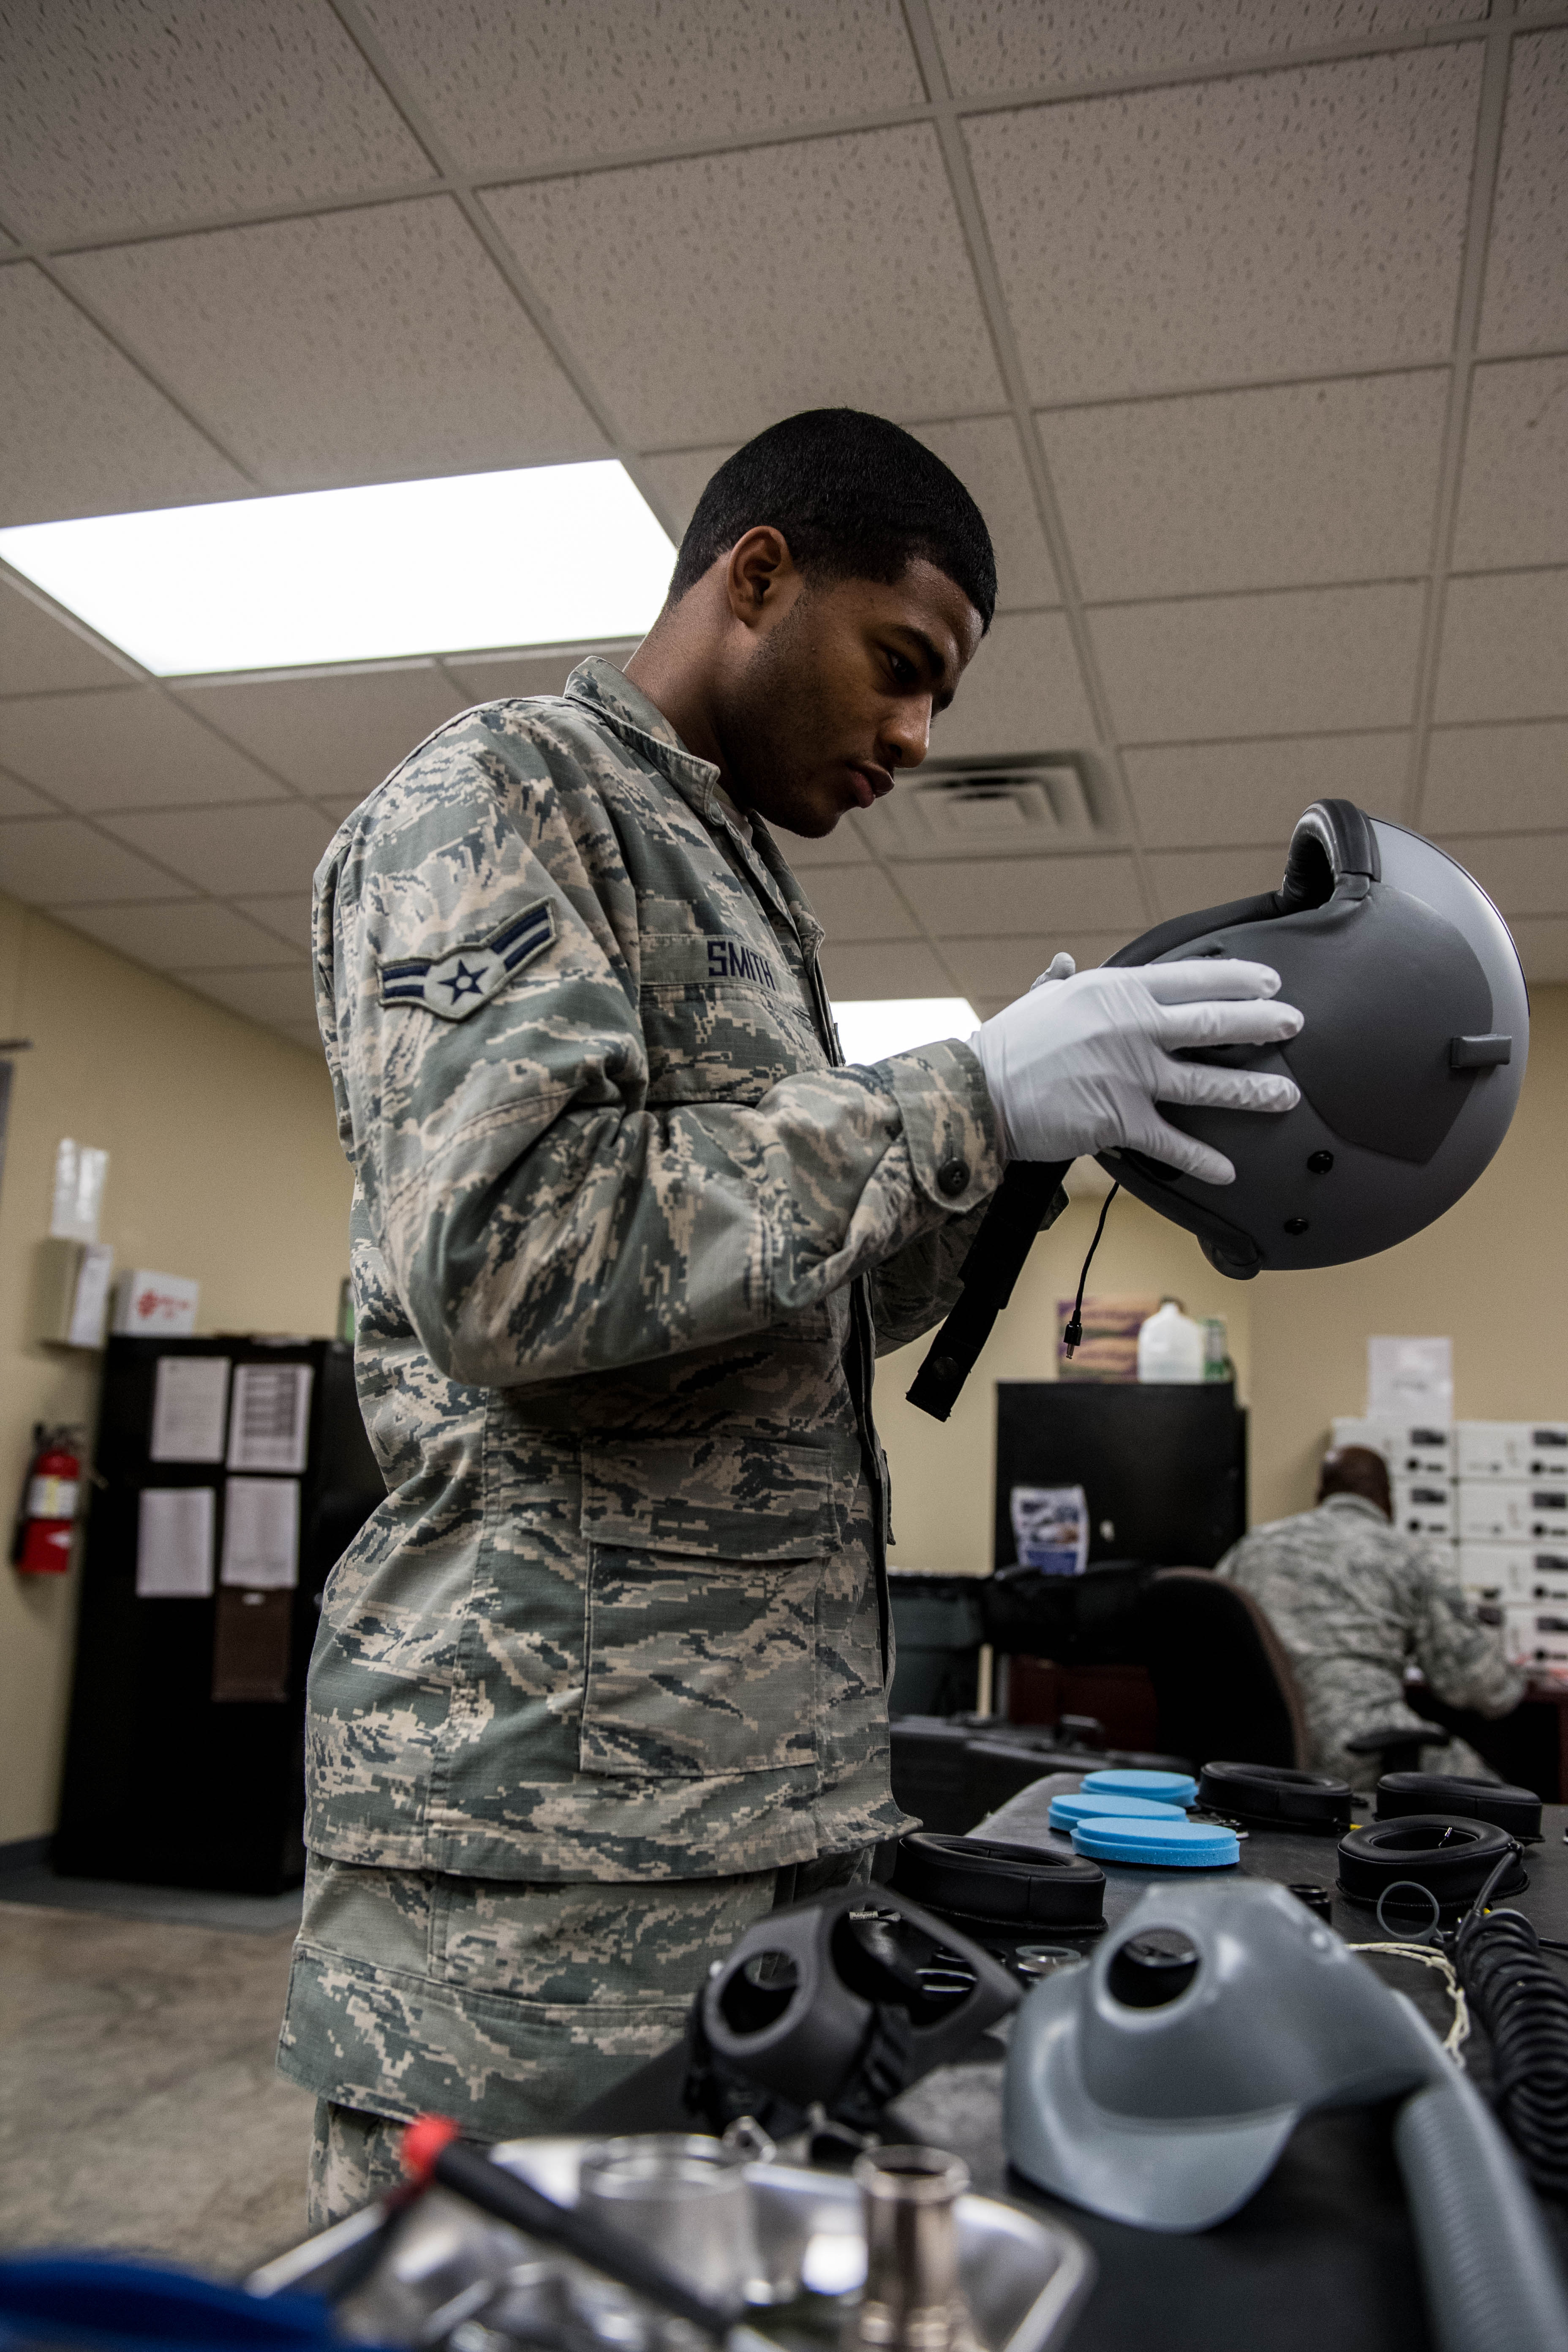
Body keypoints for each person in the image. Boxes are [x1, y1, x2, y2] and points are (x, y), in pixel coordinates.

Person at [279, 408, 1303, 2222]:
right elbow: (516, 1253)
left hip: (752, 1831)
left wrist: (1012, 1156)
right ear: (758, 575)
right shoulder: (505, 794)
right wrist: (964, 1098)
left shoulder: (737, 880)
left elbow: (769, 1303)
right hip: (543, 1870)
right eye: (897, 667)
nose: (912, 738)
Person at [1217, 1443, 1523, 1785]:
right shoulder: (1412, 1557)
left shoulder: (1254, 1547)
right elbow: (1481, 1690)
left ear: (1320, 1494)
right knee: (1505, 1807)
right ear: (1388, 1502)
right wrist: (1512, 1672)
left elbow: (1209, 1633)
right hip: (1361, 1749)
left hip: (1256, 1750)